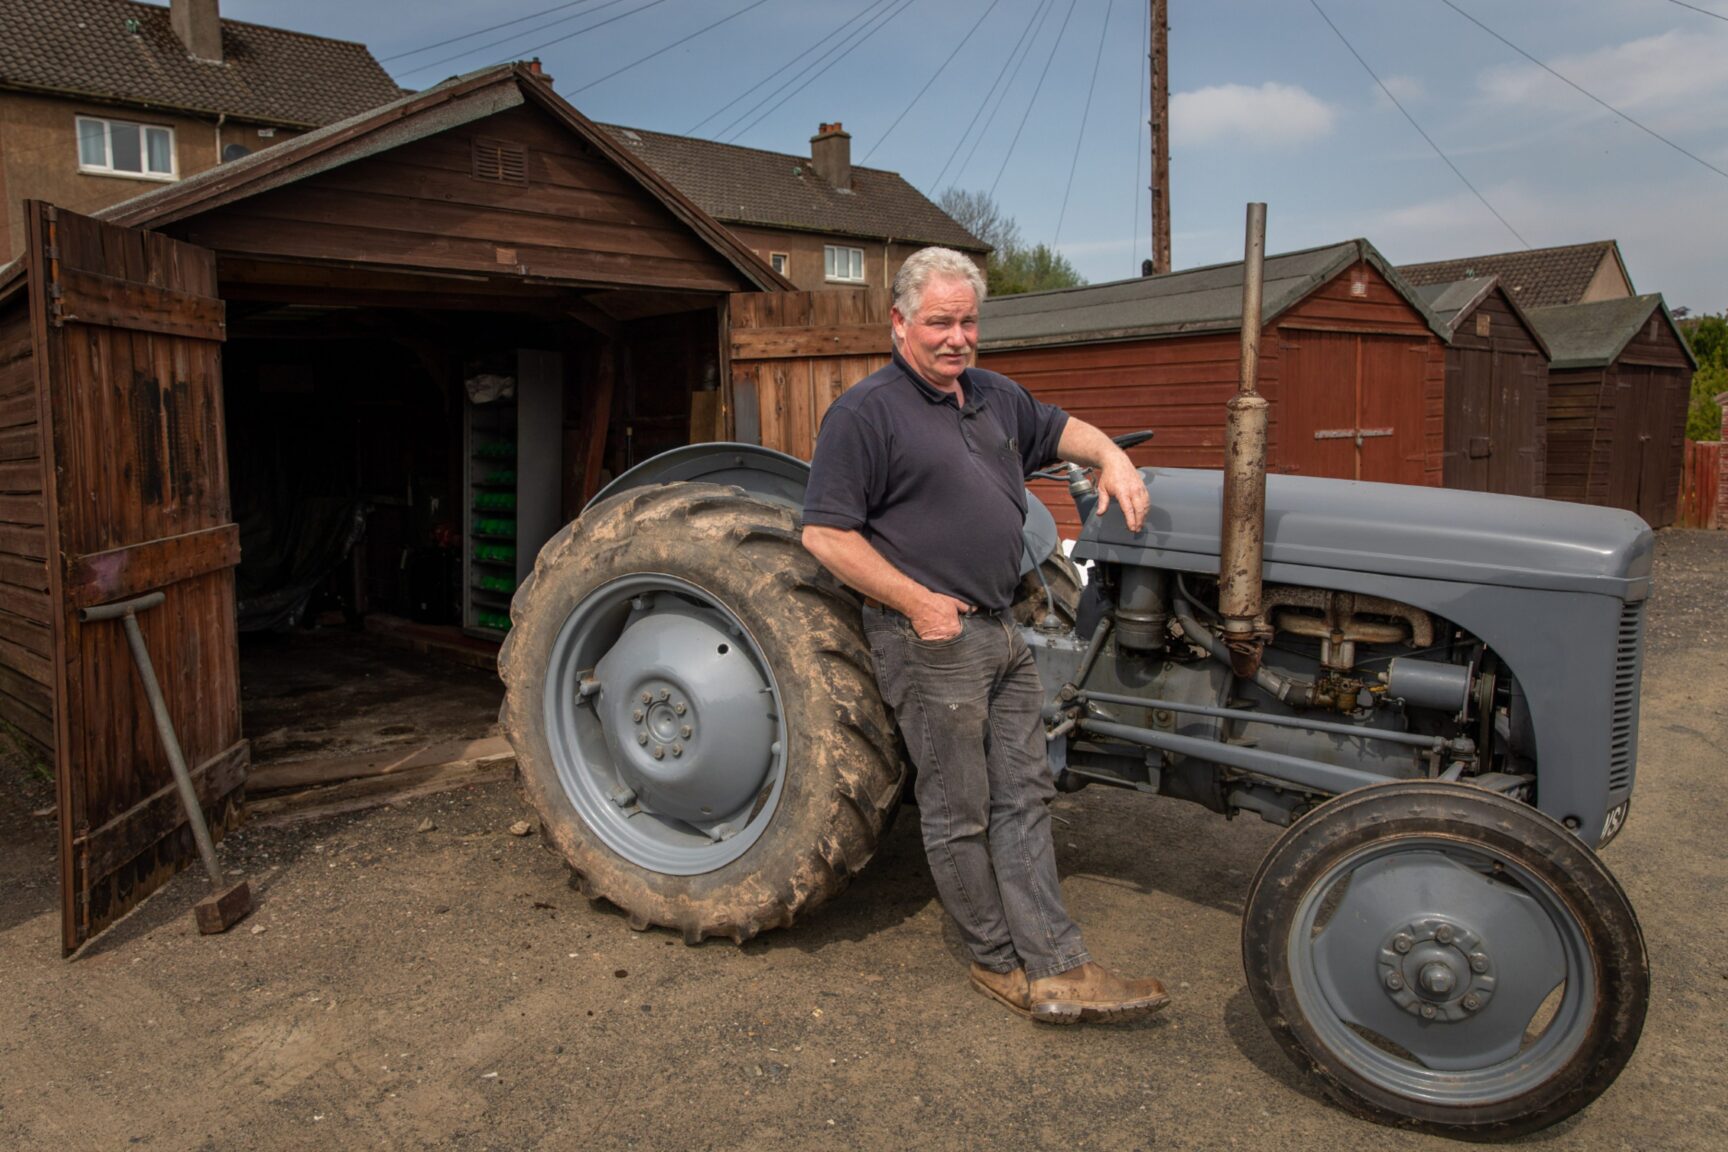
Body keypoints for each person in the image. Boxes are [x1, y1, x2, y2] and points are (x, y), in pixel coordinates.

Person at [801, 246, 1169, 1024]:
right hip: (930, 640)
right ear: (899, 322)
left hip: (1004, 632)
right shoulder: (864, 414)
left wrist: (1113, 461)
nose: (956, 337)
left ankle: (1057, 962)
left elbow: (1063, 429)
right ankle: (998, 961)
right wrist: (919, 603)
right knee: (958, 806)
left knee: (1026, 796)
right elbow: (826, 536)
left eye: (968, 321)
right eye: (939, 322)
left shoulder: (992, 395)